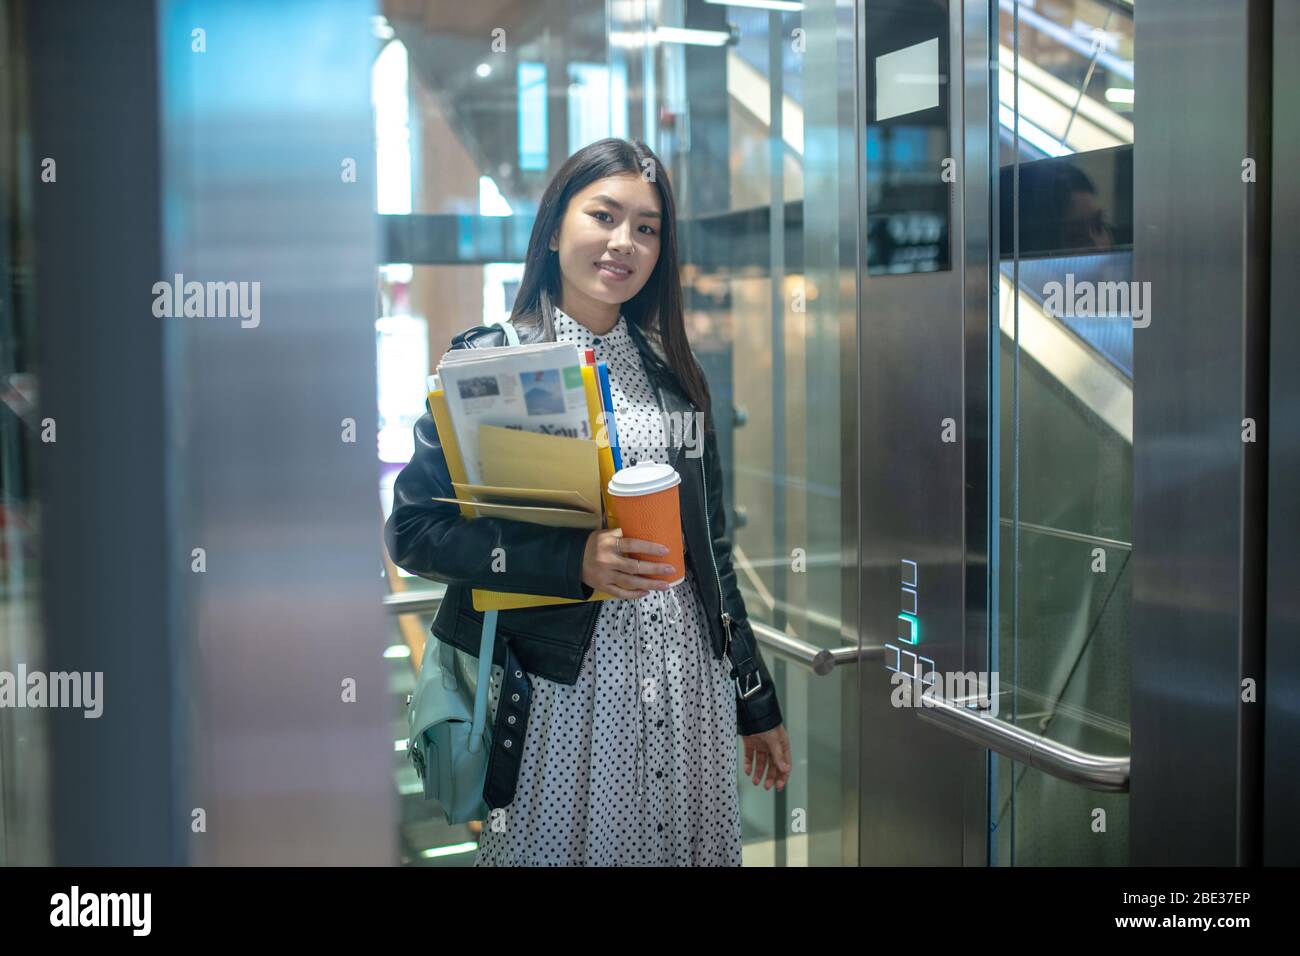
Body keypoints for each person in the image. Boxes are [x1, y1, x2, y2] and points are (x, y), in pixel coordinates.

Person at [385, 137, 792, 866]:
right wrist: (574, 561)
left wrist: (753, 699)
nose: (623, 243)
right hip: (561, 696)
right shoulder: (492, 363)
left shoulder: (676, 378)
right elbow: (415, 530)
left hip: (685, 685)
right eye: (603, 215)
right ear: (554, 227)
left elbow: (714, 555)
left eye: (646, 227)